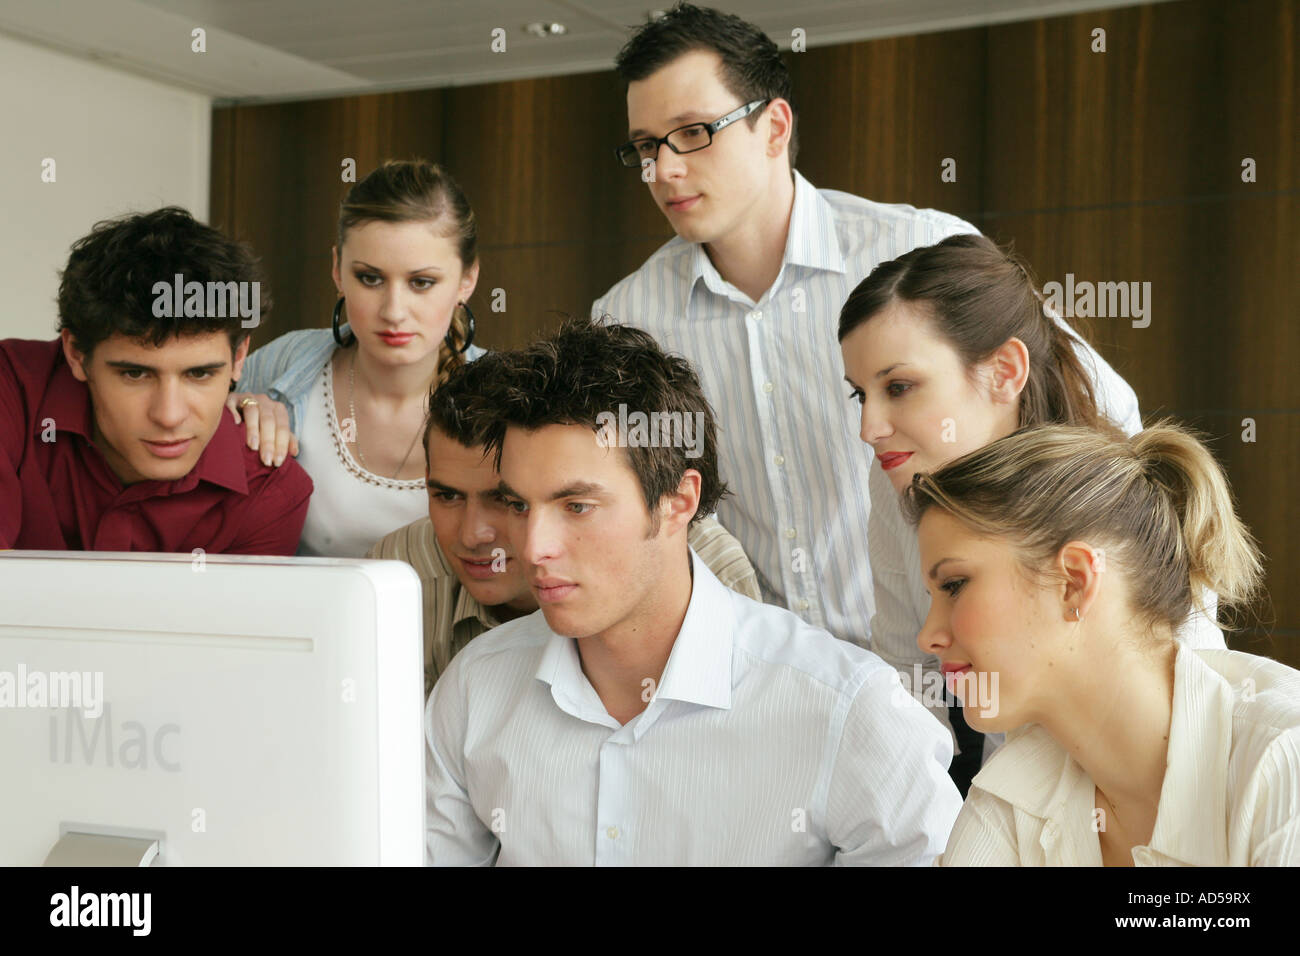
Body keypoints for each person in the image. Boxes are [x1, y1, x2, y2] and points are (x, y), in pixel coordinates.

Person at [592, 4, 1142, 655]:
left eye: (691, 133)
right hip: (765, 687)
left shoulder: (919, 248)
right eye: (645, 146)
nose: (664, 169)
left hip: (954, 661)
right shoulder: (627, 321)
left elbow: (1103, 413)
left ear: (774, 127)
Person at [424, 317, 961, 866]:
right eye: (518, 505)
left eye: (576, 506)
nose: (533, 547)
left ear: (678, 502)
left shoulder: (847, 708)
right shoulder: (474, 689)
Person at [837, 233, 1224, 795]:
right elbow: (908, 671)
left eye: (899, 386)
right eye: (859, 395)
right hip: (1011, 783)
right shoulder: (896, 474)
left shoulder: (1101, 470)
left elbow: (1191, 672)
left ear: (1003, 372)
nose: (869, 428)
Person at [906, 421, 1298, 866]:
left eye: (955, 585)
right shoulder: (1011, 794)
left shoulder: (1282, 762)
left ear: (1074, 582)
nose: (928, 636)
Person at [369, 350, 764, 696]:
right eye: (447, 496)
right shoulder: (394, 576)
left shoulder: (708, 573)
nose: (473, 535)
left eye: (504, 501)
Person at [0, 207, 312, 554]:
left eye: (199, 374)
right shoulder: (11, 385)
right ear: (76, 353)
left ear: (238, 358)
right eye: (135, 374)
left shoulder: (271, 493)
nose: (169, 416)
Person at [230, 159, 484, 557]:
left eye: (422, 283)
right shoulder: (282, 365)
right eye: (370, 278)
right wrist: (228, 409)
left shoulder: (510, 399)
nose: (394, 310)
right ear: (337, 270)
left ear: (467, 280)